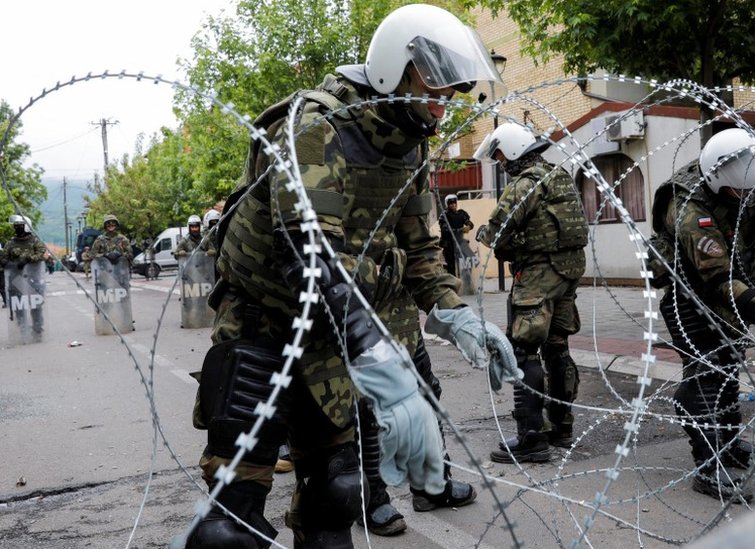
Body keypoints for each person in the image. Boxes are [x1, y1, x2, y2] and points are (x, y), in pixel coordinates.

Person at [185, 5, 518, 548]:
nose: (441, 105)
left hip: (334, 331)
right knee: (231, 521)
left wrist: (454, 313)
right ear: (394, 69)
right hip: (266, 325)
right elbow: (309, 255)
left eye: (451, 93)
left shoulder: (409, 144)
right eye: (433, 87)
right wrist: (380, 357)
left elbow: (418, 247)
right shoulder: (316, 126)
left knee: (337, 492)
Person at [649, 128, 755, 502]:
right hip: (690, 297)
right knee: (704, 380)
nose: (749, 196)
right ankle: (708, 467)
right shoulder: (688, 208)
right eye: (741, 192)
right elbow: (717, 278)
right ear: (717, 180)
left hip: (733, 294)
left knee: (727, 373)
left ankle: (730, 445)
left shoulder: (744, 176)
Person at [474, 123, 589, 464]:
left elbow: (495, 234)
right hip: (567, 272)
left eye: (499, 156)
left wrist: (489, 234)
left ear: (512, 151)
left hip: (539, 275)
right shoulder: (558, 175)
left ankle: (531, 439)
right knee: (557, 350)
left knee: (523, 351)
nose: (499, 163)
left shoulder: (525, 184)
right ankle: (562, 427)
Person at [1, 215, 47, 335]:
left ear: (26, 227)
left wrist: (27, 260)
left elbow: (41, 254)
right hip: (16, 279)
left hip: (34, 278)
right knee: (19, 306)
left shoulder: (35, 241)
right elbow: (4, 258)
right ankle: (22, 329)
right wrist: (11, 263)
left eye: (20, 226)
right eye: (16, 226)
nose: (17, 228)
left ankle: (37, 329)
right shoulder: (10, 243)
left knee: (35, 305)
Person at [438, 194, 474, 277]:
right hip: (449, 244)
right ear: (447, 204)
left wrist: (468, 226)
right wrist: (460, 230)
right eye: (451, 203)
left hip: (460, 242)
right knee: (450, 266)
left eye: (454, 203)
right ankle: (453, 284)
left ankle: (467, 281)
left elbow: (469, 223)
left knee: (470, 259)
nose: (453, 205)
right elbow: (445, 230)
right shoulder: (444, 216)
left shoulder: (461, 213)